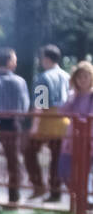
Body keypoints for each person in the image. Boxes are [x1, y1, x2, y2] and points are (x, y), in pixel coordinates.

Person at [25, 44, 71, 201]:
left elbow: (40, 104)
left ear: (45, 59)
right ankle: (55, 192)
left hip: (47, 119)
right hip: (64, 120)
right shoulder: (67, 76)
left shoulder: (43, 78)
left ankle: (38, 185)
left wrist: (35, 125)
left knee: (28, 151)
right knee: (56, 157)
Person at [0, 47, 30, 203]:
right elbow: (24, 105)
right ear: (8, 61)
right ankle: (14, 196)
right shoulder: (19, 82)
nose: (16, 62)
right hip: (13, 123)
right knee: (13, 161)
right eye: (14, 59)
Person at [58, 61, 93, 203]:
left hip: (88, 141)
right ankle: (78, 197)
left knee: (85, 173)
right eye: (79, 77)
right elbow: (62, 112)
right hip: (72, 140)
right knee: (64, 170)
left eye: (86, 76)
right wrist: (72, 98)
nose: (82, 80)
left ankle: (84, 203)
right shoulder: (74, 96)